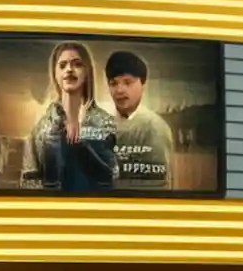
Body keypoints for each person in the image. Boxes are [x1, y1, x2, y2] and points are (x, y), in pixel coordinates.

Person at [20, 41, 118, 192]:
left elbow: (114, 179)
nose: (69, 70)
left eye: (77, 64)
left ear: (87, 72)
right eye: (62, 65)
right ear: (55, 74)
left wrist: (82, 148)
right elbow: (28, 179)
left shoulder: (106, 123)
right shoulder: (42, 127)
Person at [105, 50, 175, 190]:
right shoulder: (102, 124)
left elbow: (156, 186)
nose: (119, 90)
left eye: (127, 82)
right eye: (113, 83)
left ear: (143, 84)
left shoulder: (155, 128)